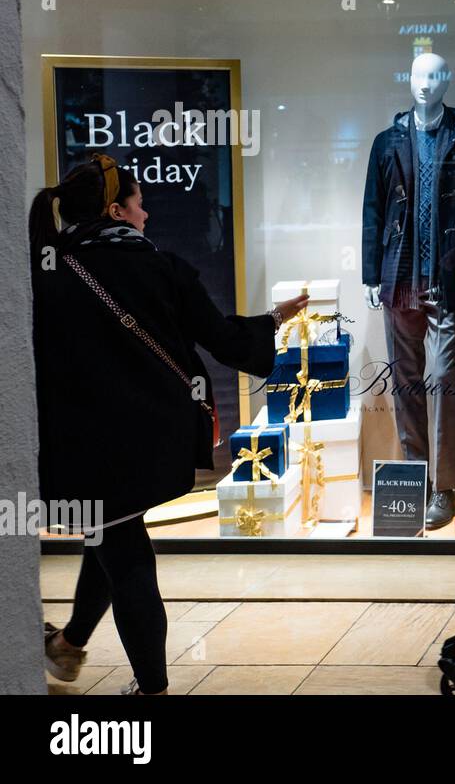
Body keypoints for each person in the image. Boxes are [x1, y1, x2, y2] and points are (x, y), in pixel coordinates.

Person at [31, 154, 308, 695]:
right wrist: (274, 319)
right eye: (139, 203)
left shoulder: (49, 268)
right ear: (116, 210)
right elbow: (224, 340)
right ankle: (91, 658)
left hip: (83, 442)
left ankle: (100, 664)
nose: (147, 214)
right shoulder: (161, 266)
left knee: (116, 537)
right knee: (118, 540)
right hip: (155, 438)